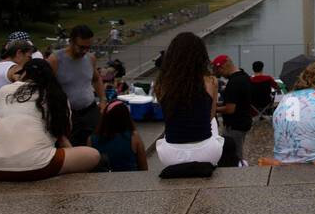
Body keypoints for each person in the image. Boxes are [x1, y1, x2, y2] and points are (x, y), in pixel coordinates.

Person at [0, 59, 100, 180]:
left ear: (24, 73)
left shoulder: (4, 91)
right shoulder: (55, 95)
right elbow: (64, 132)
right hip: (35, 166)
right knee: (93, 155)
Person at [154, 32, 233, 167]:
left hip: (170, 155)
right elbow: (210, 116)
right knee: (213, 122)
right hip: (207, 153)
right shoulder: (211, 81)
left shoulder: (161, 84)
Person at [48, 25, 104, 146]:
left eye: (88, 48)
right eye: (81, 47)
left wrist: (103, 100)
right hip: (68, 115)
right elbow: (46, 87)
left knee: (95, 144)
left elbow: (96, 79)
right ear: (71, 41)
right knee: (73, 149)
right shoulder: (55, 60)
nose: (84, 51)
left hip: (90, 111)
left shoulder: (90, 58)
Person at [212, 54, 253, 159]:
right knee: (236, 151)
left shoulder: (234, 83)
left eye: (219, 71)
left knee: (234, 155)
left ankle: (238, 173)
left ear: (222, 67)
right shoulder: (244, 76)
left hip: (235, 125)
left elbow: (230, 109)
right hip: (244, 121)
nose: (220, 75)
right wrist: (217, 104)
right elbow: (237, 101)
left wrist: (212, 109)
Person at [88, 100, 148, 172]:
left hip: (102, 181)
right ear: (126, 117)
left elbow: (89, 170)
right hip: (130, 180)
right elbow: (144, 168)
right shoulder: (134, 137)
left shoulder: (91, 140)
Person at [0, 38, 35, 117]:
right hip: (2, 116)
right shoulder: (15, 68)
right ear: (19, 53)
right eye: (29, 57)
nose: (29, 61)